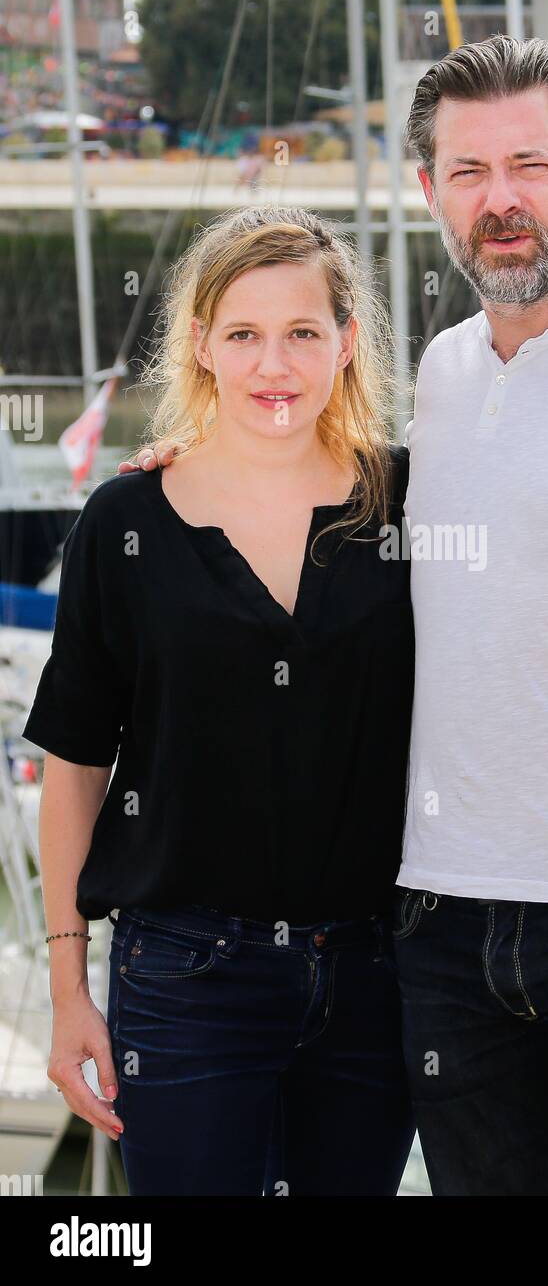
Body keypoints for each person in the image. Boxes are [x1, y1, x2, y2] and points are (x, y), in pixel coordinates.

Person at [118, 40, 548, 1199]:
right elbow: (337, 485)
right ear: (428, 192)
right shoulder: (441, 371)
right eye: (467, 171)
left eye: (528, 165)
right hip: (439, 923)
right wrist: (198, 460)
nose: (501, 200)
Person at [24, 206, 418, 1196]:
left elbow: (544, 622)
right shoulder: (126, 521)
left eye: (301, 332)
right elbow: (73, 766)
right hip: (185, 977)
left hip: (379, 973)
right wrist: (69, 988)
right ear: (200, 345)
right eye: (241, 333)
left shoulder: (416, 506)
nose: (271, 363)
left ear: (347, 343)